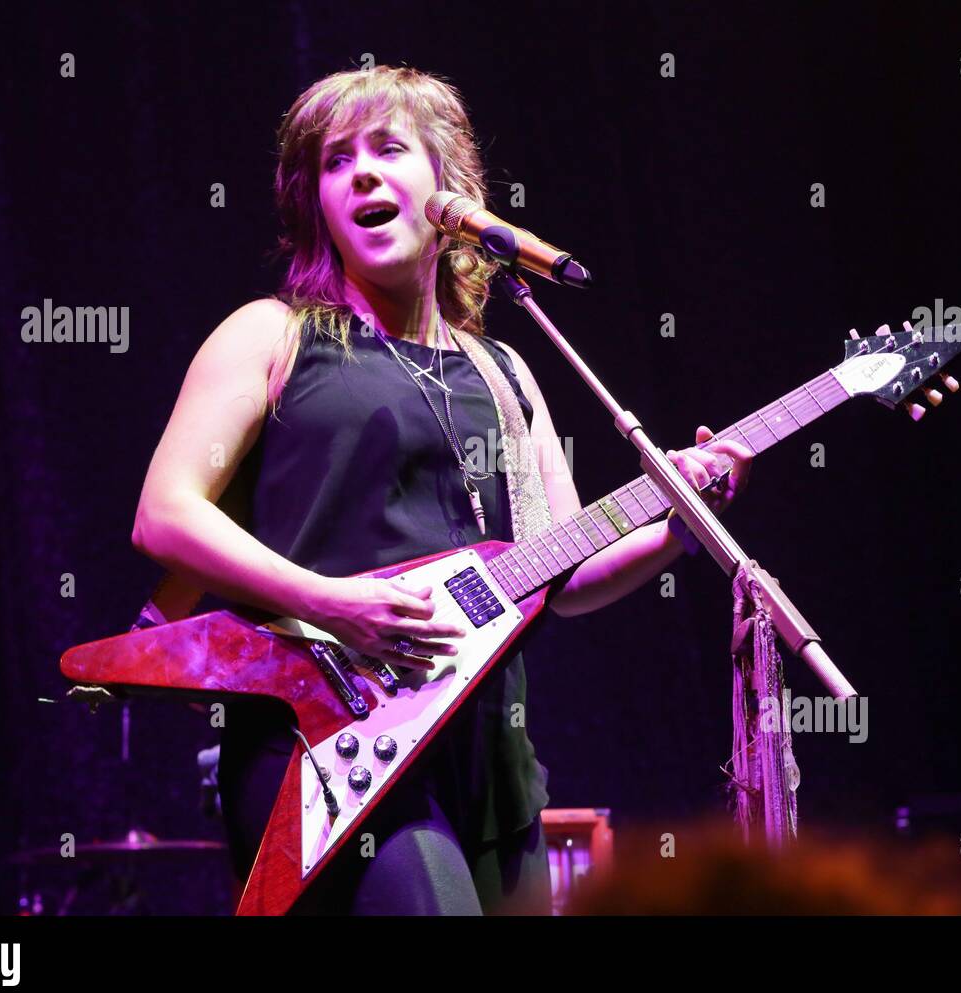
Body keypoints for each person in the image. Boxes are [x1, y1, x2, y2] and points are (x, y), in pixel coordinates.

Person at [130, 64, 752, 915]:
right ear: (315, 201)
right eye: (336, 161)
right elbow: (164, 517)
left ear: (451, 190)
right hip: (327, 744)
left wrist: (681, 522)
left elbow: (563, 576)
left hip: (489, 758)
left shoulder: (503, 371)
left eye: (389, 149)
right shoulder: (271, 336)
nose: (362, 174)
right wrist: (333, 601)